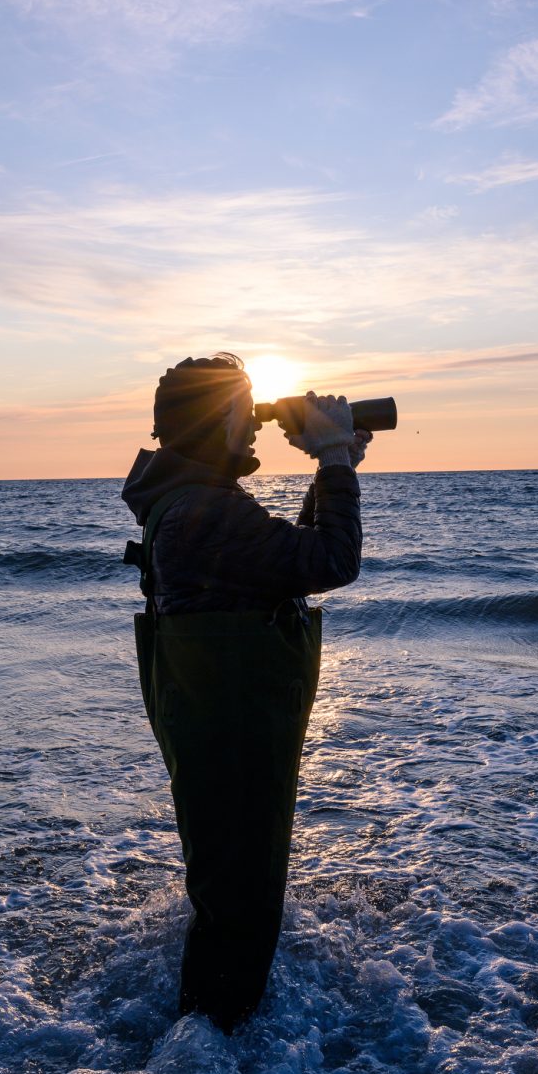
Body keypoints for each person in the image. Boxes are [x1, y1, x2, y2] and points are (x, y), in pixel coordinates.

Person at [121, 353, 368, 1032]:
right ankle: (210, 1046)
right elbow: (330, 561)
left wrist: (337, 463)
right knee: (240, 896)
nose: (256, 424)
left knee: (232, 880)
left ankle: (210, 1030)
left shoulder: (191, 501)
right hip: (231, 726)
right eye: (245, 408)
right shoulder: (204, 510)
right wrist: (332, 460)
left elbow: (284, 565)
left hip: (218, 718)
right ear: (214, 420)